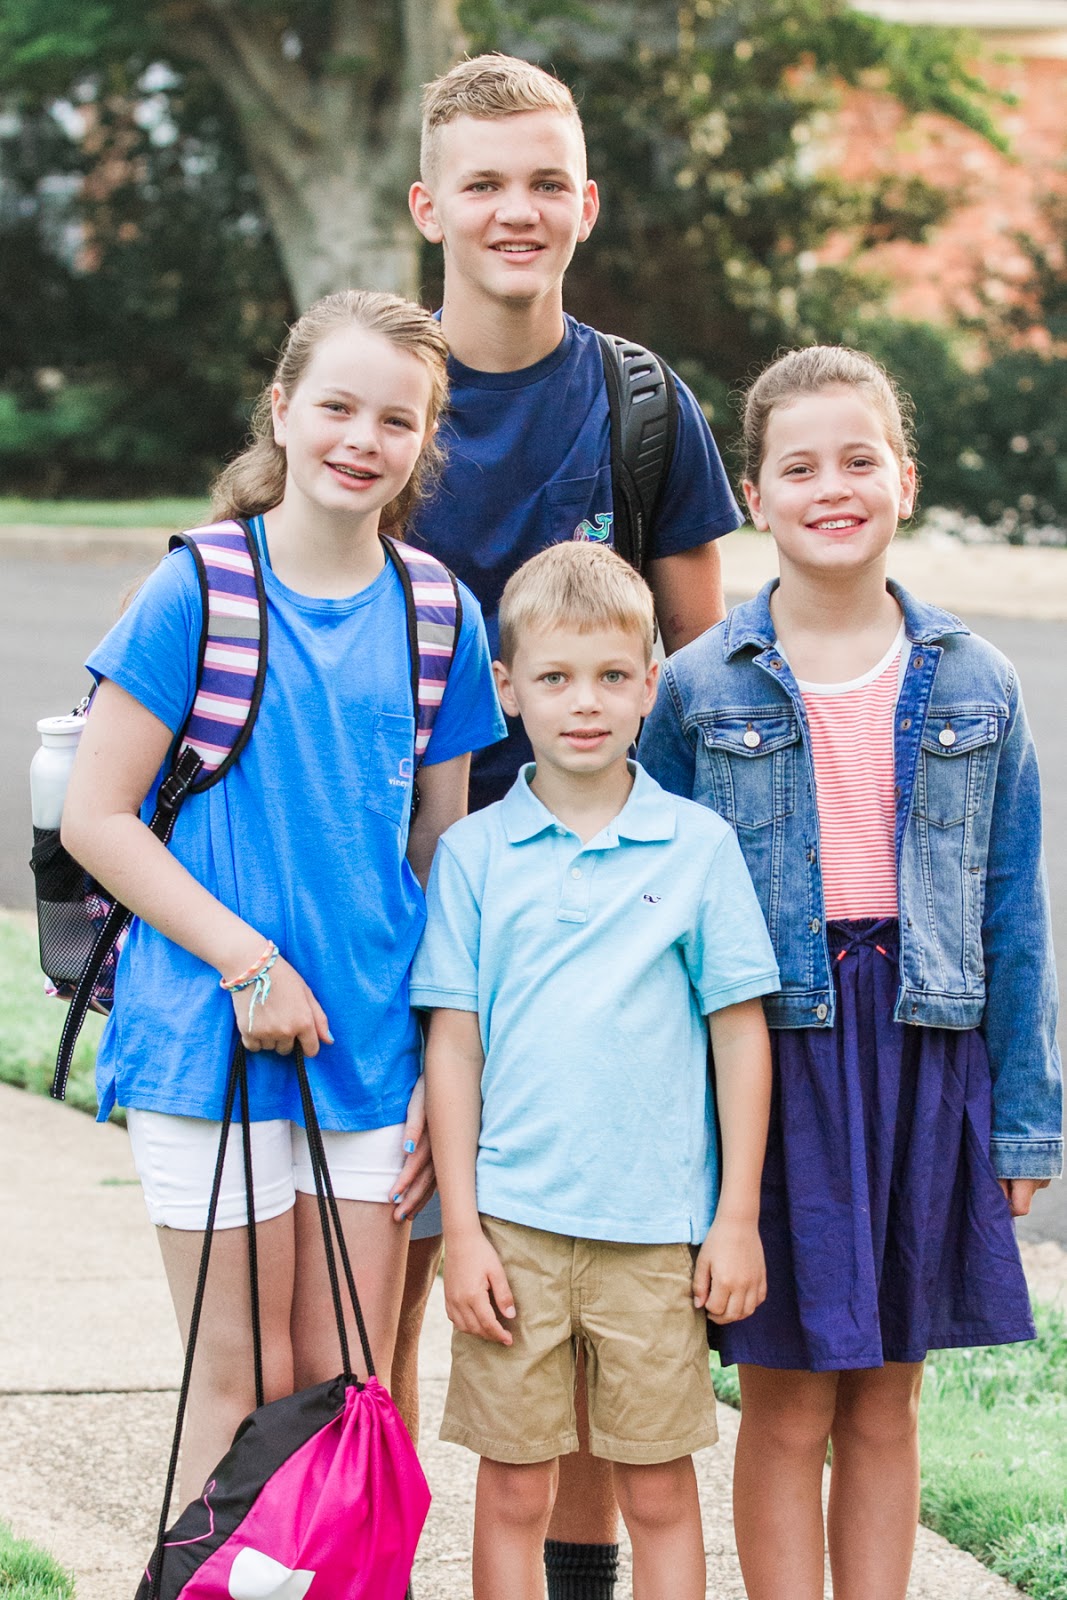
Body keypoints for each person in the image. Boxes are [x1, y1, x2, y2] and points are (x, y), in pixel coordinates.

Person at [60, 289, 505, 1507]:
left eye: (396, 419)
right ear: (283, 410)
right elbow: (97, 816)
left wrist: (441, 1055)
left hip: (370, 1049)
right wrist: (249, 962)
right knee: (241, 1378)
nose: (362, 438)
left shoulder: (435, 612)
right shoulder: (200, 589)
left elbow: (439, 843)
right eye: (338, 407)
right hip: (209, 1036)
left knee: (345, 1376)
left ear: (425, 442)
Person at [397, 53, 744, 1587]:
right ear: (429, 208)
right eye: (482, 181)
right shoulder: (380, 400)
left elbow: (696, 680)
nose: (515, 209)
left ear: (584, 203)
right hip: (389, 908)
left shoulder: (640, 406)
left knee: (587, 1357)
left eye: (545, 181)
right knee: (399, 1282)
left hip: (581, 921)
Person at [639, 345, 1063, 1600]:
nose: (833, 486)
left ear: (904, 481)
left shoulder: (978, 683)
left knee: (884, 1398)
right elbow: (648, 908)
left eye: (858, 460)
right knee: (781, 1403)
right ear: (755, 499)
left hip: (922, 1054)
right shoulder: (698, 683)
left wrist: (1025, 1120)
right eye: (798, 465)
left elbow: (1012, 915)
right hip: (767, 1056)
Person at [411, 540, 780, 1600]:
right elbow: (455, 1043)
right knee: (514, 1492)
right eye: (555, 677)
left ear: (650, 684)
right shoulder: (476, 856)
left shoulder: (695, 846)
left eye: (613, 676)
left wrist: (735, 1216)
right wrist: (465, 1230)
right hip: (514, 1231)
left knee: (658, 1490)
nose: (585, 702)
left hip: (657, 1233)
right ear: (506, 689)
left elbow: (737, 1032)